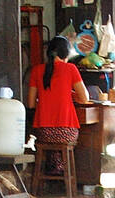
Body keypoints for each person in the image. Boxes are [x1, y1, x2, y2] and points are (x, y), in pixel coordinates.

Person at [26, 35, 88, 176]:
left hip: (43, 132)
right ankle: (60, 168)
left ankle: (55, 166)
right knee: (69, 139)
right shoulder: (71, 69)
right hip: (66, 132)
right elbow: (85, 98)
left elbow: (30, 103)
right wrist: (70, 94)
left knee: (52, 142)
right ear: (66, 54)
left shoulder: (36, 70)